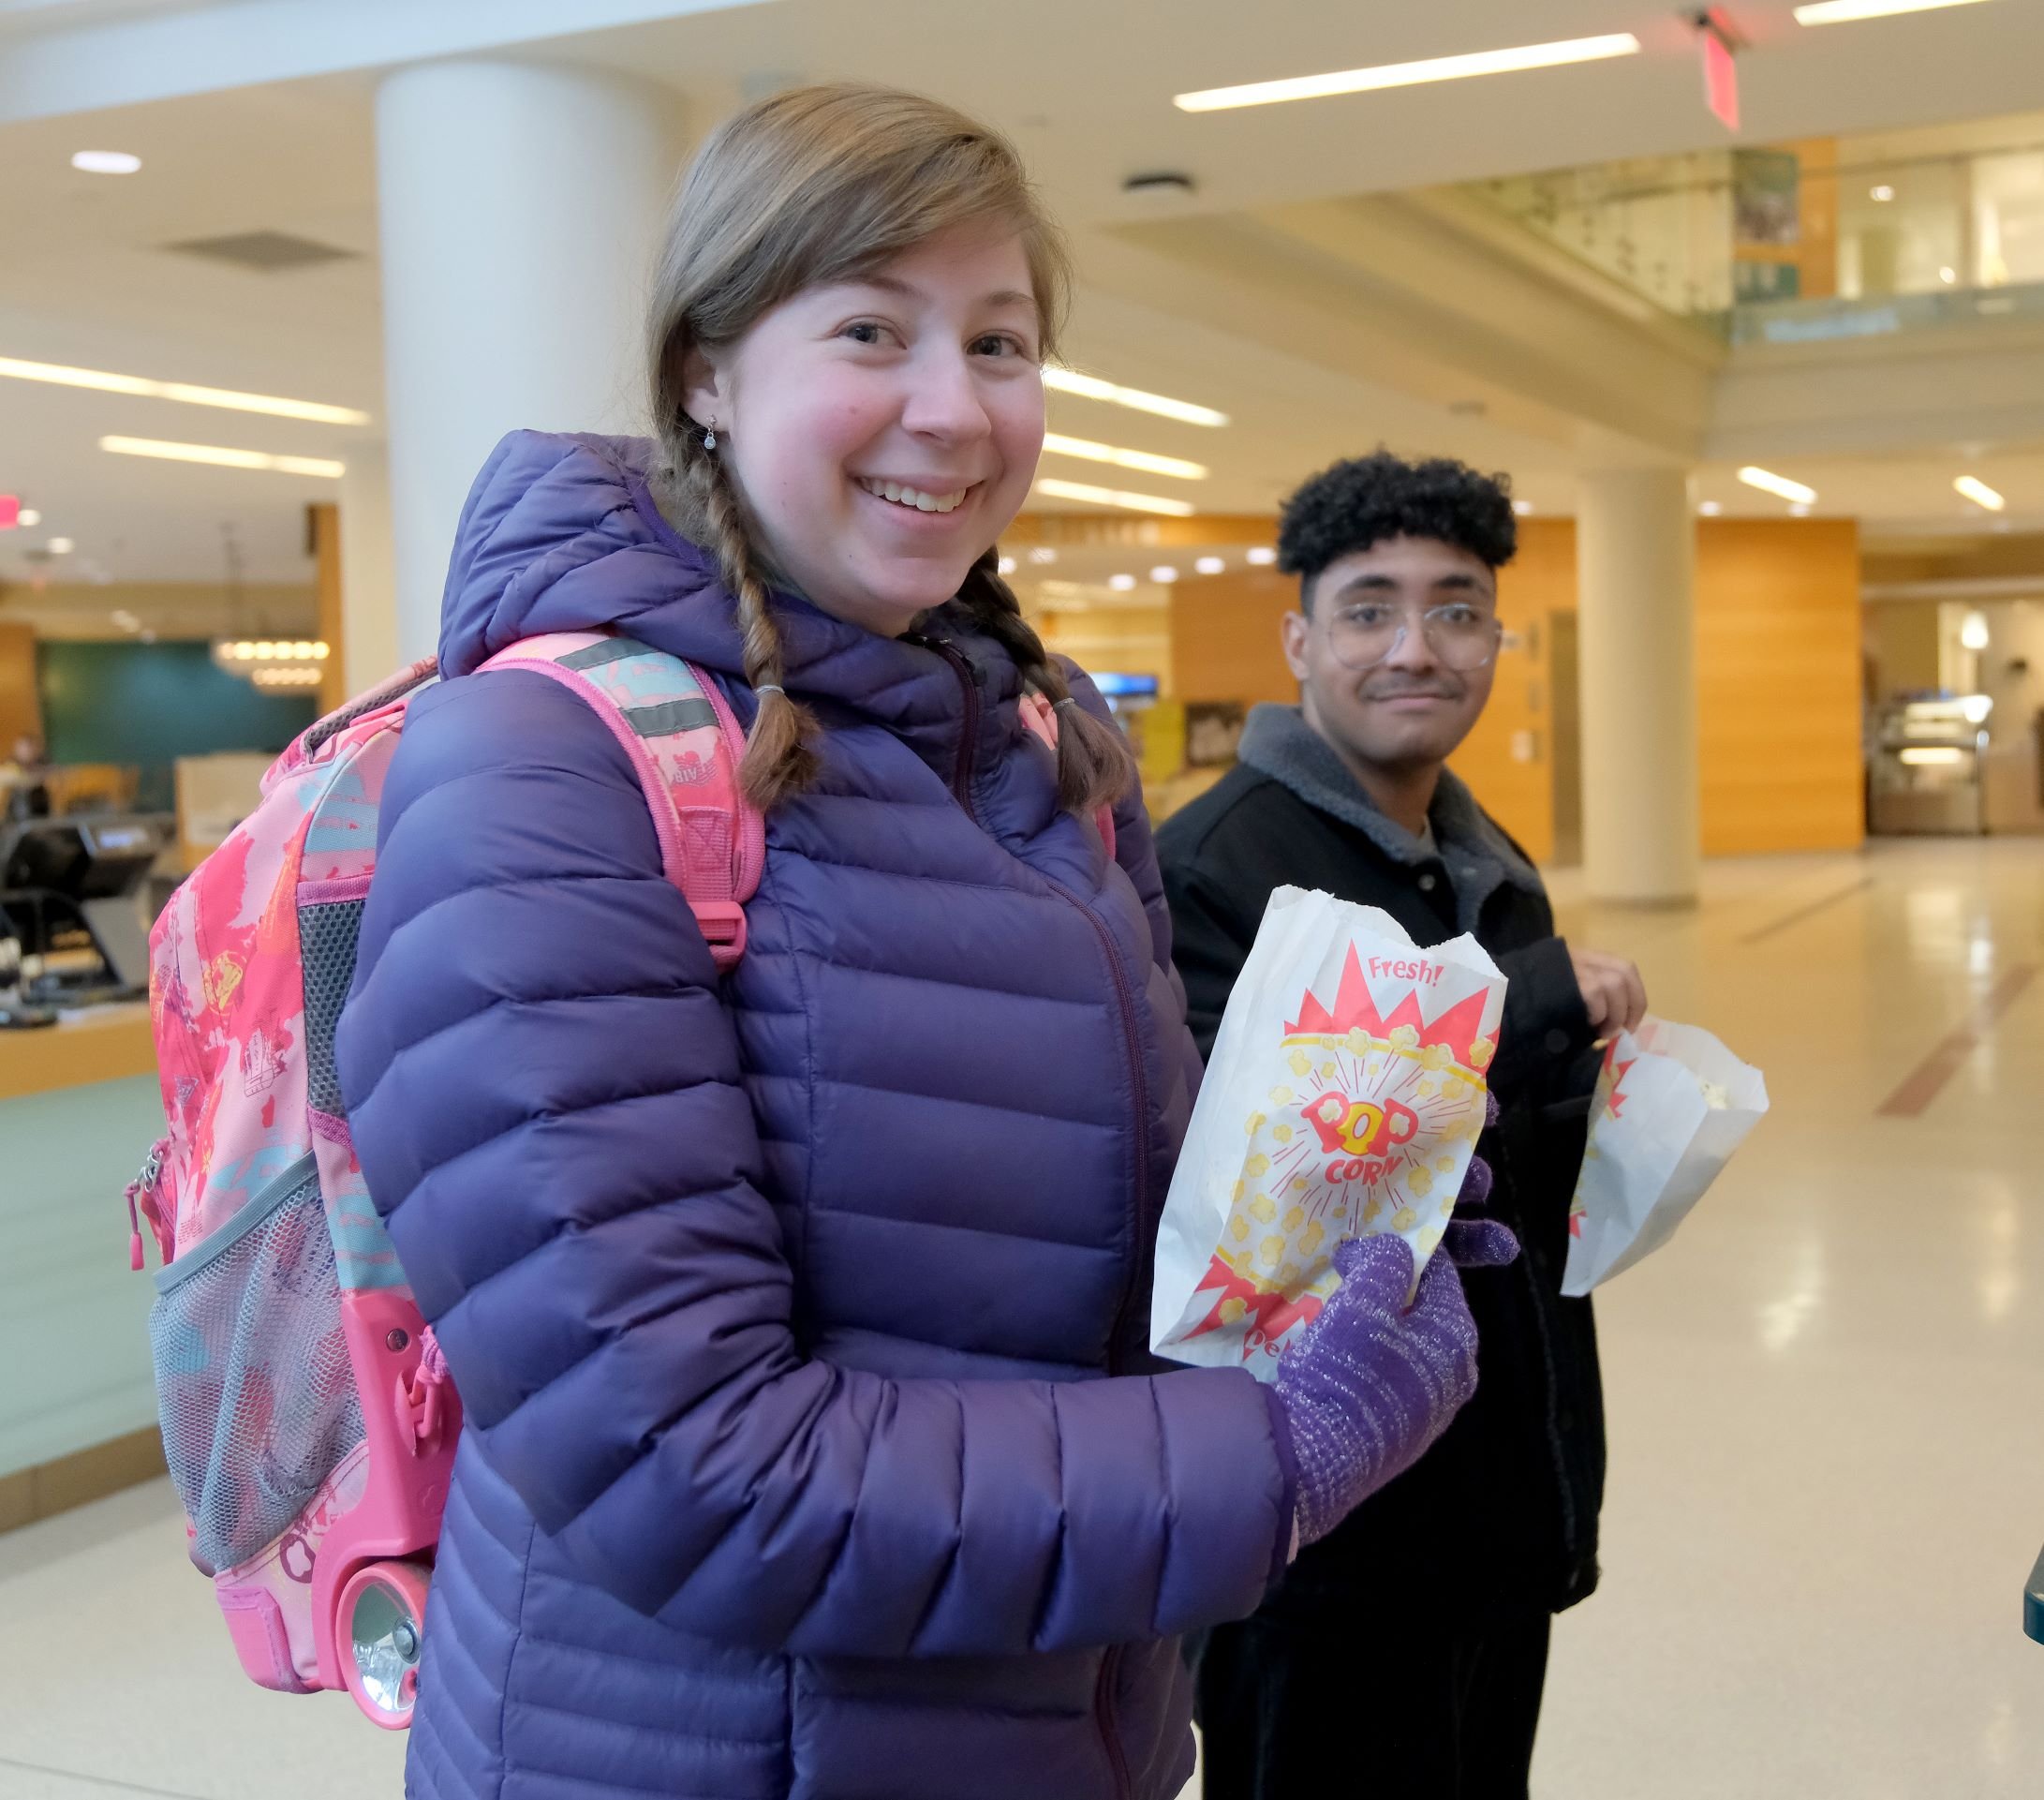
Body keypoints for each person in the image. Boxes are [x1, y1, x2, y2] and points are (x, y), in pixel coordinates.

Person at [335, 89, 1487, 1800]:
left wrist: (1333, 1210)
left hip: (1041, 1730)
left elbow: (1083, 1257)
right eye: (872, 328)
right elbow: (689, 1464)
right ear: (704, 374)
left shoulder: (1035, 742)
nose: (953, 410)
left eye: (1002, 342)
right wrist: (1272, 1453)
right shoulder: (545, 770)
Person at [1158, 452, 1648, 1800]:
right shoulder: (1217, 866)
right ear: (1299, 640)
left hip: (1491, 1483)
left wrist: (1601, 1107)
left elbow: (1499, 1166)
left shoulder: (1486, 863)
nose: (1415, 648)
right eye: (1369, 609)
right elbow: (1256, 1158)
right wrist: (1528, 1008)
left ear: (1496, 636)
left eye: (1455, 608)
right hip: (1320, 1521)